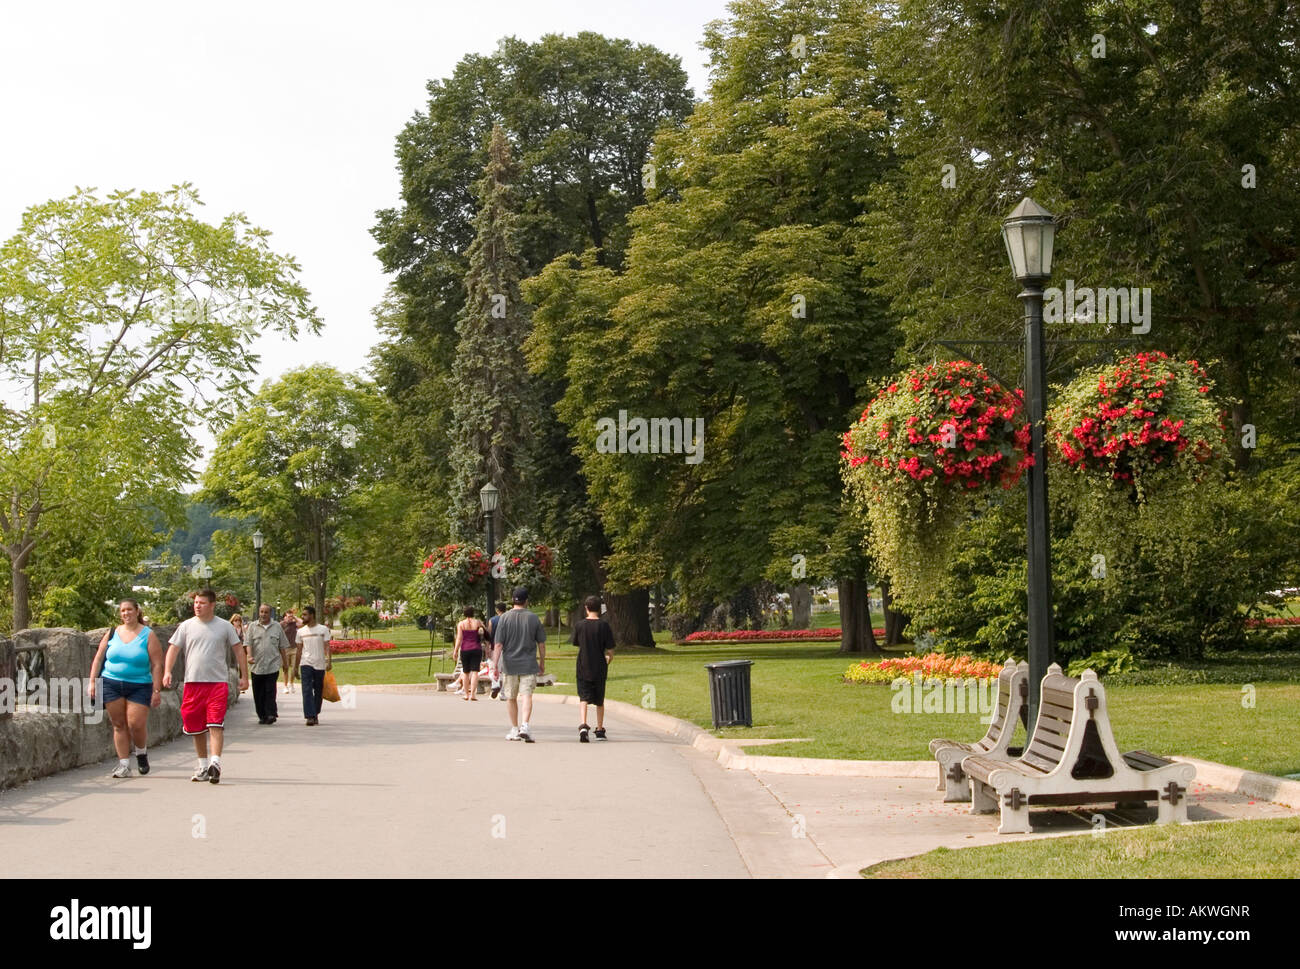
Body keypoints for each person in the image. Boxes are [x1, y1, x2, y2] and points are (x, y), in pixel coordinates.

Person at [164, 589, 247, 783]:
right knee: (196, 727)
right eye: (195, 603)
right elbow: (173, 649)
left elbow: (239, 651)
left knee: (215, 723)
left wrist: (244, 676)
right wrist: (167, 671)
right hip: (193, 683)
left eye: (201, 603)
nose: (197, 606)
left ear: (212, 605)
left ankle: (215, 763)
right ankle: (203, 765)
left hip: (217, 683)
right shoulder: (186, 626)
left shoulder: (224, 626)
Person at [88, 599, 164, 776]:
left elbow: (157, 664)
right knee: (118, 724)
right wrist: (92, 682)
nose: (126, 613)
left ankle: (141, 752)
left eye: (129, 609)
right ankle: (123, 764)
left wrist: (156, 689)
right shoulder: (113, 632)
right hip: (111, 682)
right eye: (123, 611)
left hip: (139, 685)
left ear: (137, 611)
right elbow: (99, 658)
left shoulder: (148, 634)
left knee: (135, 724)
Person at [491, 587, 547, 743]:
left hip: (510, 664)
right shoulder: (533, 618)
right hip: (529, 663)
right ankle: (525, 725)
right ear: (526, 600)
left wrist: (495, 665)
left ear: (512, 600)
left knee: (511, 697)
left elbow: (498, 645)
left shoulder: (504, 618)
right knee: (527, 695)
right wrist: (542, 662)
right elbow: (541, 643)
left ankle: (515, 729)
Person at [572, 595, 615, 742]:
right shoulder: (604, 626)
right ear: (600, 609)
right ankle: (600, 728)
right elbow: (610, 650)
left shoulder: (580, 625)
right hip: (599, 666)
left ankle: (583, 724)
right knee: (599, 699)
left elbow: (577, 643)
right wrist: (608, 659)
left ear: (586, 608)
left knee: (583, 697)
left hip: (583, 664)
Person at [245, 603, 289, 724]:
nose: (263, 614)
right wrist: (249, 656)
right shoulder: (252, 627)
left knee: (270, 690)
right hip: (257, 665)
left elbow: (282, 646)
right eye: (261, 612)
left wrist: (285, 663)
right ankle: (262, 715)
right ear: (259, 613)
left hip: (272, 664)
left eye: (266, 612)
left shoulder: (277, 627)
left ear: (270, 613)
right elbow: (248, 643)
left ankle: (271, 714)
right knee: (258, 692)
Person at [297, 606, 332, 726]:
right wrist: (295, 667)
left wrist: (329, 661)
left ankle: (315, 713)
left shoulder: (323, 629)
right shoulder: (300, 632)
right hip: (305, 663)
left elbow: (327, 646)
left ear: (312, 615)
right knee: (306, 690)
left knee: (318, 690)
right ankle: (309, 716)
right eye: (302, 615)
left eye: (305, 614)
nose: (303, 617)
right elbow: (299, 650)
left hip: (320, 664)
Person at [452, 606, 489, 701]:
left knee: (465, 672)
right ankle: (473, 694)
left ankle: (466, 695)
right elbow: (485, 634)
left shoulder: (461, 624)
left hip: (465, 649)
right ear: (473, 613)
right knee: (475, 672)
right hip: (476, 648)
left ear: (464, 613)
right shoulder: (478, 622)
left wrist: (455, 651)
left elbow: (459, 638)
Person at [487, 602, 507, 699]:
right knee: (504, 672)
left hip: (494, 648)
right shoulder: (509, 620)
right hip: (507, 649)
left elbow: (489, 635)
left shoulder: (492, 620)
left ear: (497, 610)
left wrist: (488, 648)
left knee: (492, 669)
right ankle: (502, 694)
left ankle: (495, 684)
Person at [280, 608, 301, 694]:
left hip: (294, 648)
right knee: (285, 668)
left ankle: (291, 683)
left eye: (291, 616)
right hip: (285, 649)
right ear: (285, 617)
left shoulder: (294, 624)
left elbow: (302, 623)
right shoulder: (281, 624)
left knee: (294, 668)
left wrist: (295, 617)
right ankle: (285, 686)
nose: (290, 618)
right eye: (288, 616)